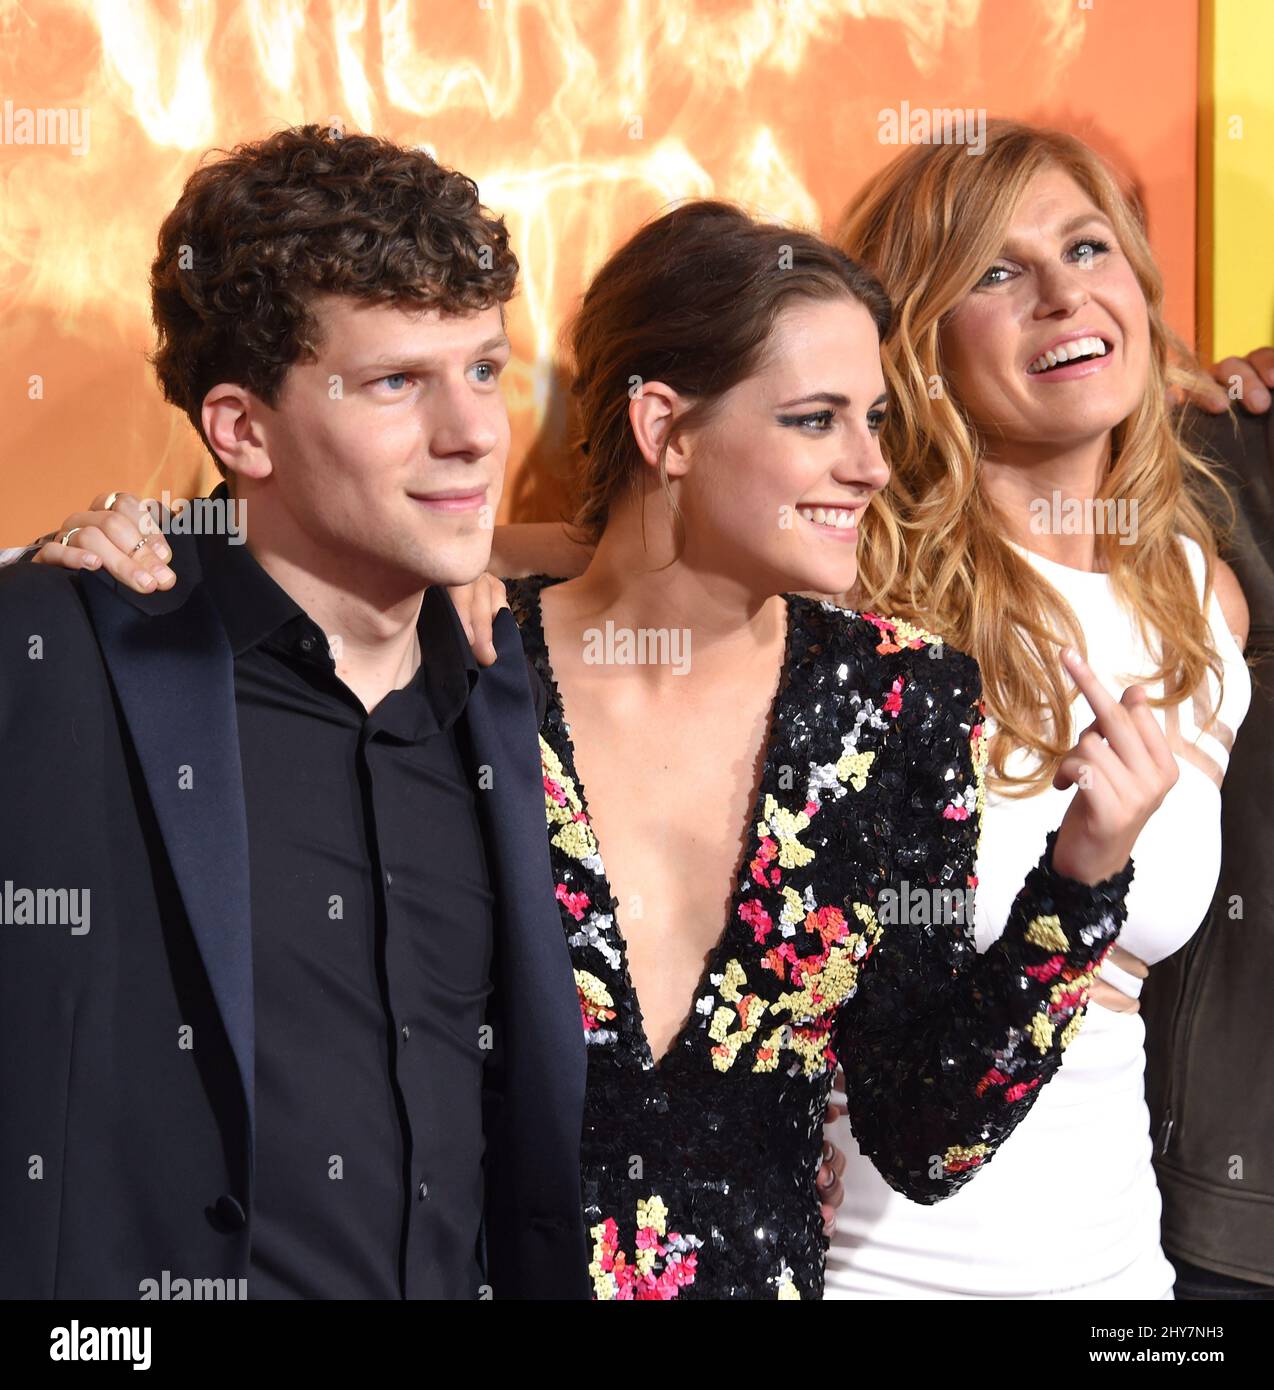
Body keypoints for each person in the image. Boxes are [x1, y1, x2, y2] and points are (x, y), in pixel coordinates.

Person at [0, 124, 591, 1300]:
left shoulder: (502, 678)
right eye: (393, 383)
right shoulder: (65, 646)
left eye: (481, 367)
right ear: (242, 429)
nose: (471, 430)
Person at [811, 121, 1251, 1299]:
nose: (1063, 295)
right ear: (916, 342)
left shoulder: (1194, 598)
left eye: (1088, 248)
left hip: (1124, 1284)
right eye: (996, 273)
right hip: (871, 1274)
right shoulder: (848, 591)